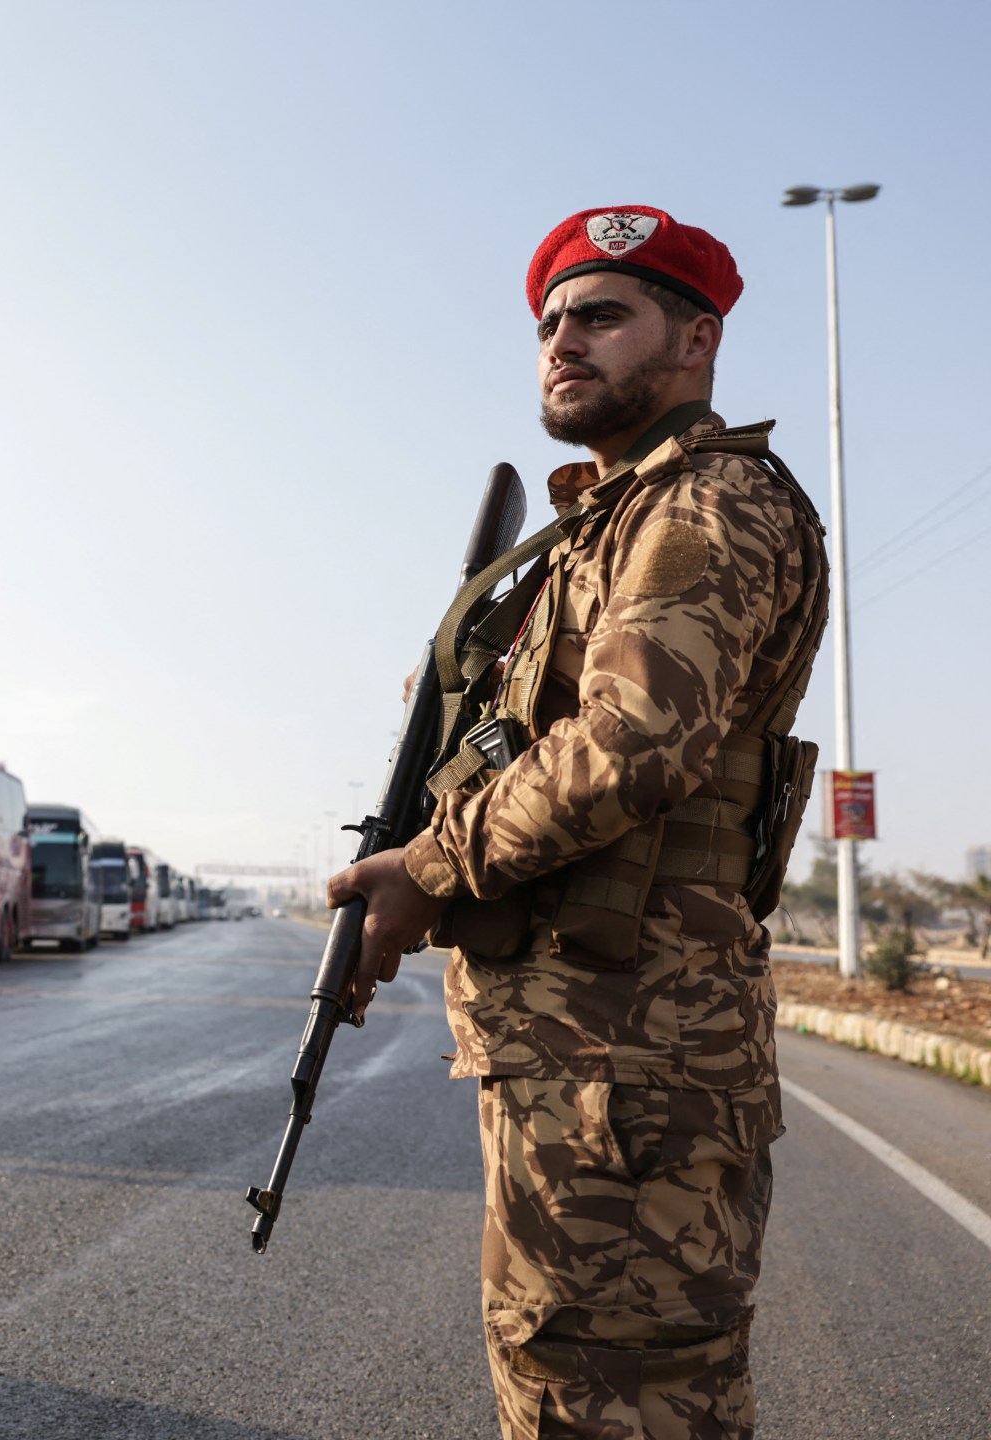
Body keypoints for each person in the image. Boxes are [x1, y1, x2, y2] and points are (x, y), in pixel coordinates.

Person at [326, 206, 829, 1438]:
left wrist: (432, 869)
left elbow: (632, 744)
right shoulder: (594, 533)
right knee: (562, 1388)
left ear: (697, 341)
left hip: (636, 1064)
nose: (564, 341)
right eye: (552, 322)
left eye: (604, 315)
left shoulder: (709, 505)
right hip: (583, 1058)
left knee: (622, 1403)